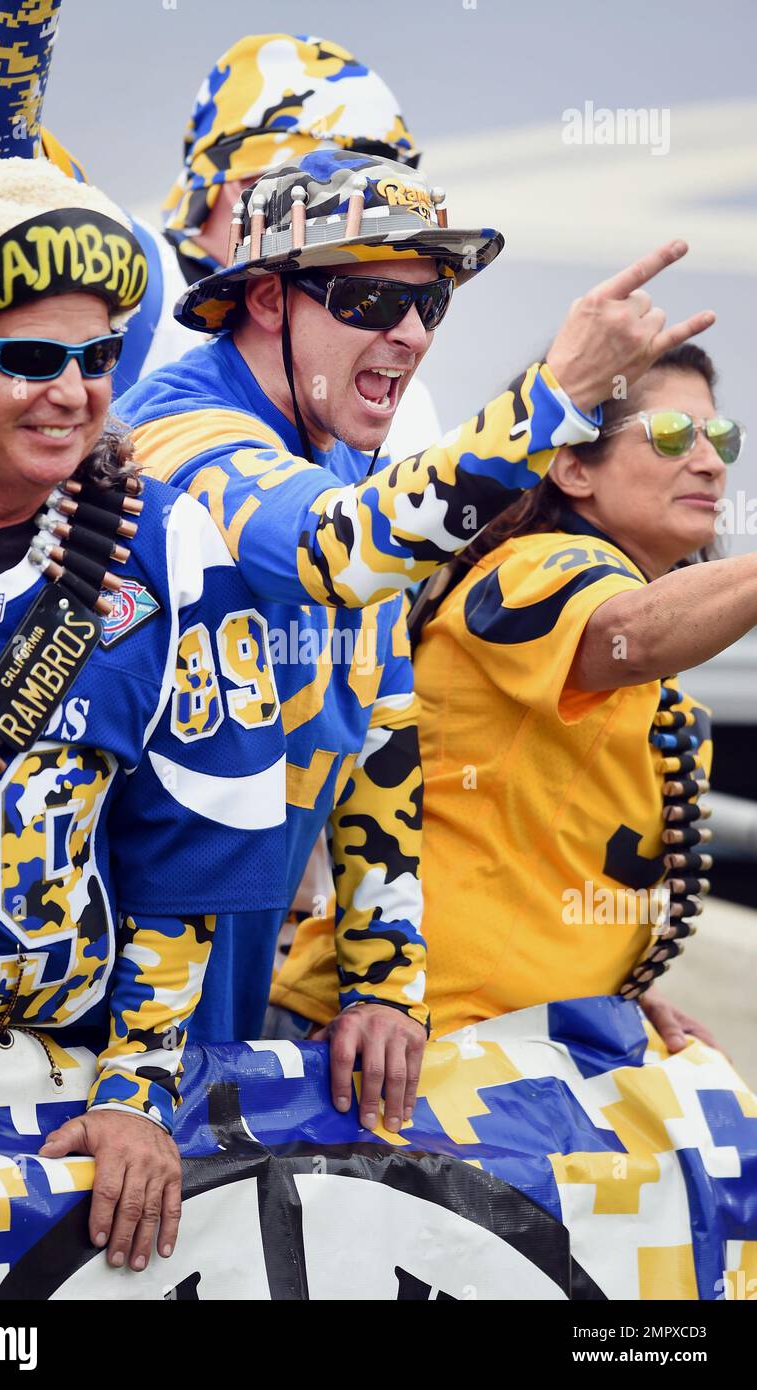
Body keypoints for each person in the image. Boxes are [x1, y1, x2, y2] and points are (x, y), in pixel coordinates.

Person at [115, 144, 714, 1129]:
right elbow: (332, 553)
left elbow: (382, 730)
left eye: (426, 306)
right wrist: (551, 399)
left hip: (231, 977)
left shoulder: (343, 460)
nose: (404, 335)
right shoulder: (181, 429)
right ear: (267, 299)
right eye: (365, 303)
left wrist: (386, 983)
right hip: (96, 989)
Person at [0, 156, 286, 1276]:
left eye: (96, 356)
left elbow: (183, 870)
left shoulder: (173, 551)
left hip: (49, 1096)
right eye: (26, 358)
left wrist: (137, 1095)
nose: (69, 391)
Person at [269, 342, 748, 1062]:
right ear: (571, 465)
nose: (711, 462)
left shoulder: (610, 589)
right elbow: (629, 634)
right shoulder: (535, 568)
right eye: (673, 435)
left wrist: (611, 982)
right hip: (389, 1049)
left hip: (508, 1049)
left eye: (720, 438)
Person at [0, 5, 439, 455]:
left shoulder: (398, 389)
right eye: (350, 186)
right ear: (248, 183)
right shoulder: (145, 275)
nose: (382, 213)